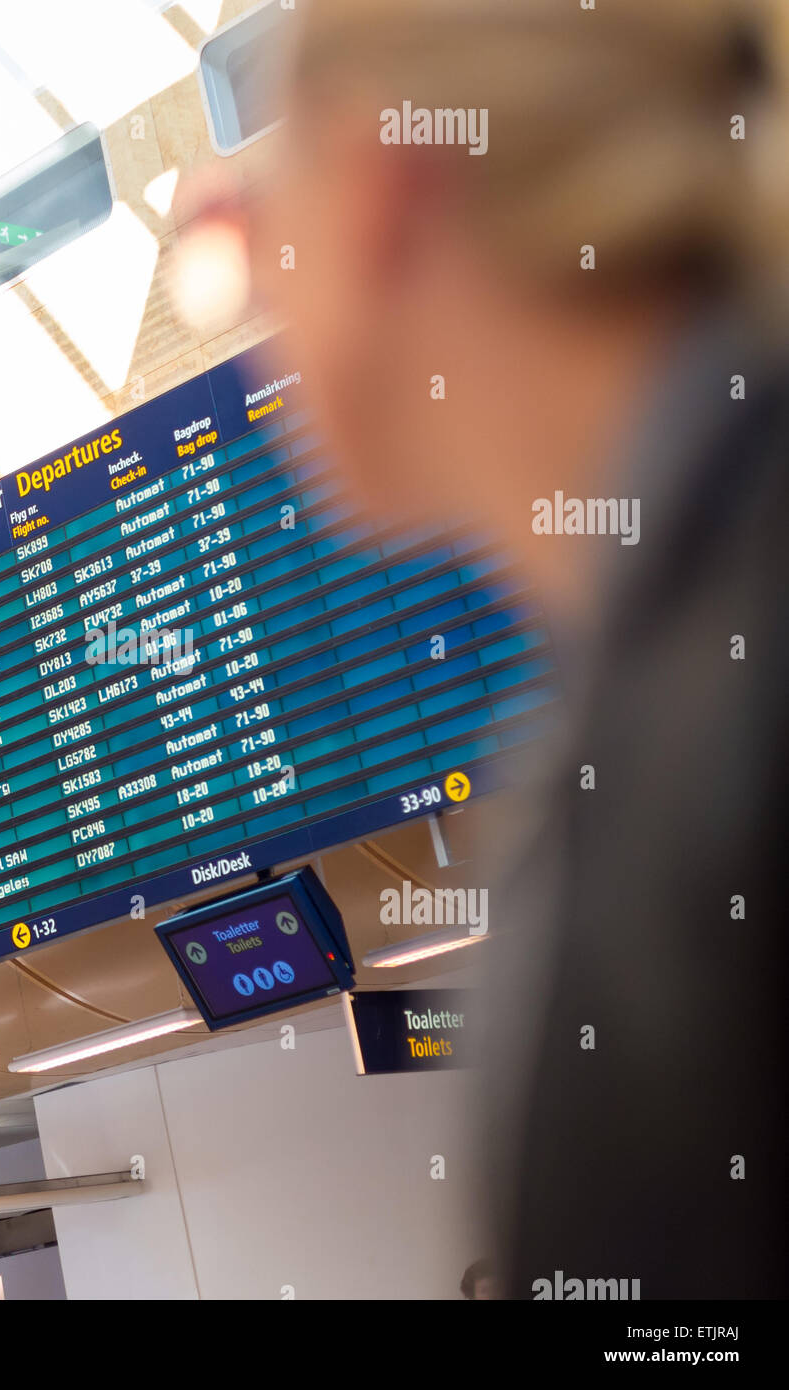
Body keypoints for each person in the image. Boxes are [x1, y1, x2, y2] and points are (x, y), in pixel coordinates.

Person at [233, 0, 789, 1297]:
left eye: (262, 243)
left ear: (382, 185)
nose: (262, 321)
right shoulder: (647, 684)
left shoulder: (701, 728)